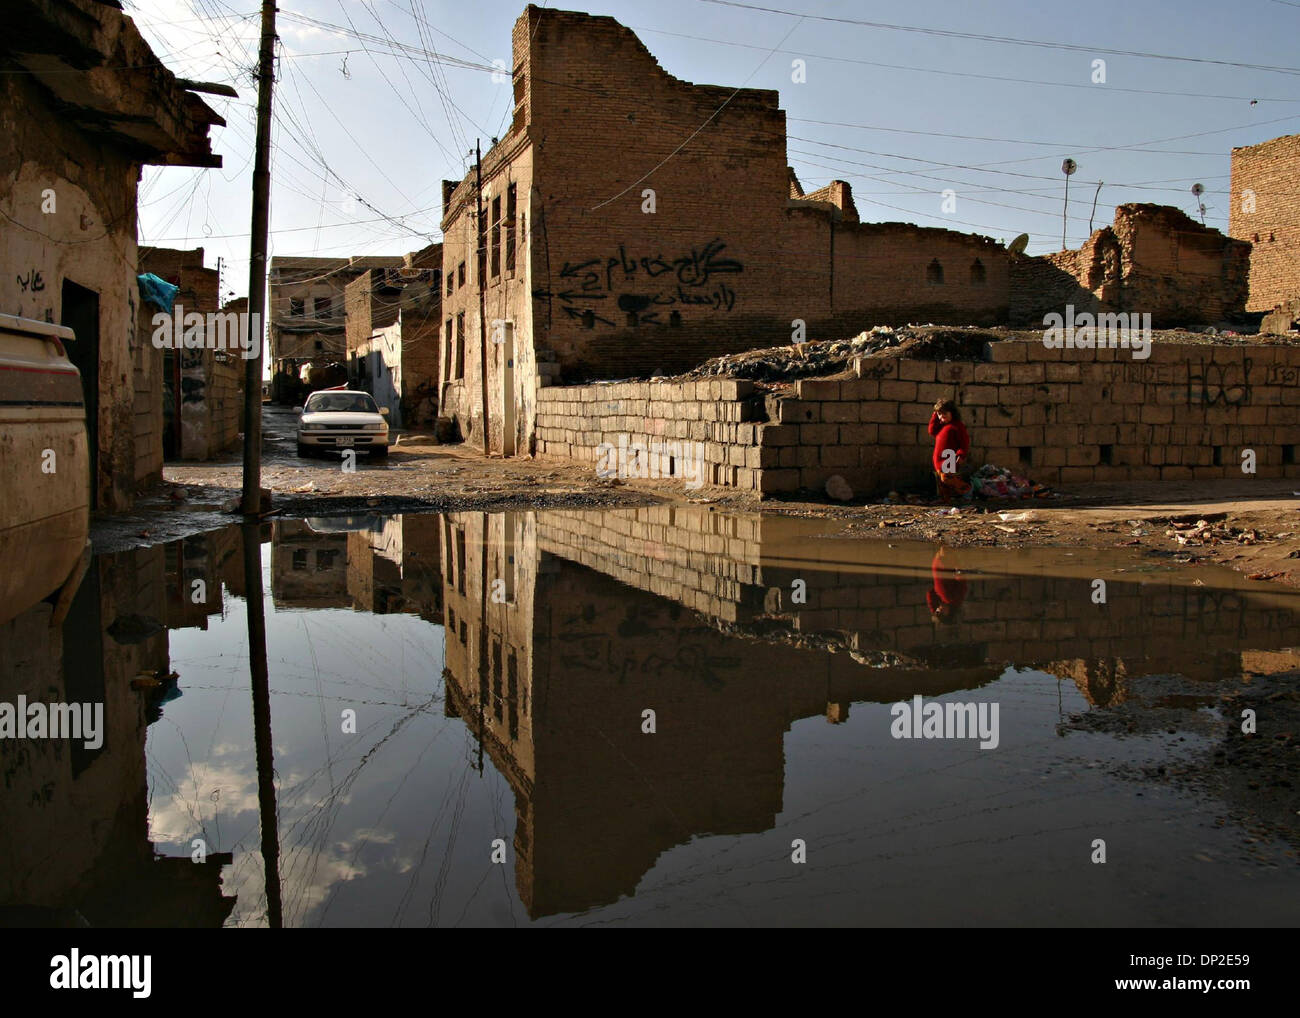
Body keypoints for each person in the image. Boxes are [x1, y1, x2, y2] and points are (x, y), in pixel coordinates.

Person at [928, 398, 971, 502]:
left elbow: (964, 442)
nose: (942, 417)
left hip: (949, 457)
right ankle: (946, 500)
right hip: (939, 461)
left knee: (946, 478)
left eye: (944, 414)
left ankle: (965, 488)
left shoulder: (957, 426)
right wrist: (935, 416)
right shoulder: (942, 426)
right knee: (941, 483)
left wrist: (961, 455)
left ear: (952, 412)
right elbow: (931, 431)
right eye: (939, 415)